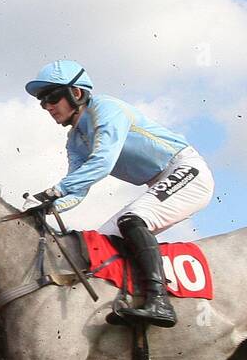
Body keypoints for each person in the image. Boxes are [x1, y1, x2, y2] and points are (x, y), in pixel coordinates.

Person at [25, 59, 214, 327]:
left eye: (52, 96)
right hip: (161, 180)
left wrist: (52, 193)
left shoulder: (106, 109)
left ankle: (160, 302)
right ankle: (132, 302)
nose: (47, 106)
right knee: (103, 243)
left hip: (186, 170)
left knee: (132, 220)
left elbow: (102, 163)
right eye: (42, 101)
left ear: (76, 93)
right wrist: (43, 209)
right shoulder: (75, 141)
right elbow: (77, 189)